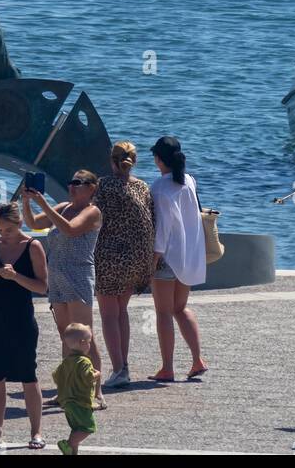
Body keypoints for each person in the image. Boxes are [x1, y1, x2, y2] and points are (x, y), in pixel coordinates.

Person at [0, 201, 49, 451]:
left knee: (29, 375)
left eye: (8, 230)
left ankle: (36, 432)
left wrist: (15, 276)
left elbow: (42, 287)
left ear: (19, 224)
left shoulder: (33, 247)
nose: (3, 235)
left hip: (22, 320)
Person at [24, 172, 104, 407]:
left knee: (85, 335)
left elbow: (70, 229)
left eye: (78, 183)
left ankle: (97, 392)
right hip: (57, 276)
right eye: (71, 182)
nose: (72, 186)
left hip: (78, 274)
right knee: (66, 335)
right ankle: (66, 390)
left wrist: (43, 203)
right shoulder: (62, 206)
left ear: (91, 188)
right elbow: (34, 224)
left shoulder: (92, 212)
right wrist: (27, 202)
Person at [94, 141, 155, 390]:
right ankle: (123, 365)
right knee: (121, 311)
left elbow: (96, 218)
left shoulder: (104, 185)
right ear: (134, 161)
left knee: (109, 313)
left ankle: (119, 370)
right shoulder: (143, 187)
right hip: (139, 259)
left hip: (110, 257)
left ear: (112, 161)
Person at [148, 136, 207, 383]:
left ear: (159, 159)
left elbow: (162, 227)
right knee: (180, 308)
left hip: (167, 256)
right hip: (189, 254)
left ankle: (167, 368)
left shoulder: (159, 187)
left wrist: (154, 257)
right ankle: (197, 360)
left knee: (163, 312)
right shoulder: (189, 181)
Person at [53, 322, 97, 456]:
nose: (90, 345)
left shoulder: (66, 361)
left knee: (76, 428)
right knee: (88, 427)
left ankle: (72, 451)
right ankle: (68, 444)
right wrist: (97, 374)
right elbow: (88, 377)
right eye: (89, 341)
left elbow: (56, 376)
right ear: (82, 342)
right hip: (80, 402)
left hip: (67, 402)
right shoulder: (84, 361)